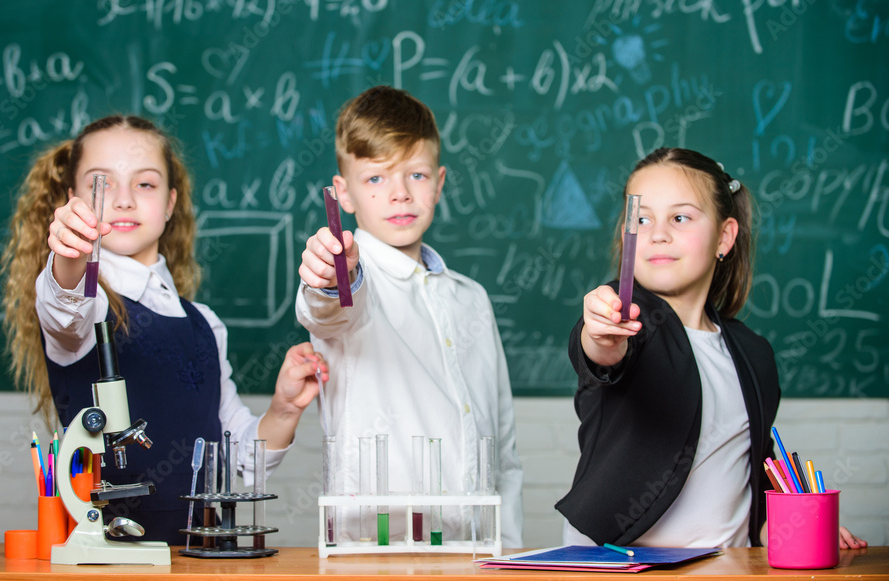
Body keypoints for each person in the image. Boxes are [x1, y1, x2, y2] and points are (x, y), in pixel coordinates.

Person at [0, 115, 327, 545]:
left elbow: (239, 459)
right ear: (72, 201)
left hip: (204, 557)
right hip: (108, 559)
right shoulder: (86, 303)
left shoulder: (204, 323)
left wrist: (284, 409)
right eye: (101, 184)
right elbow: (63, 303)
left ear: (171, 203)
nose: (123, 200)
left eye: (145, 184)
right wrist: (70, 252)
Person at [555, 147, 868, 550]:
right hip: (617, 564)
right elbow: (601, 355)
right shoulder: (624, 320)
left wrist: (790, 527)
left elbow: (749, 478)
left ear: (724, 237)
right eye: (642, 219)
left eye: (680, 218)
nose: (658, 233)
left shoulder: (753, 353)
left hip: (729, 567)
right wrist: (599, 335)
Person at [296, 86, 523, 547]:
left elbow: (502, 443)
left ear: (439, 182)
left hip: (477, 551)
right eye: (376, 178)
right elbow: (329, 308)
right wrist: (331, 278)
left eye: (416, 175)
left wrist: (510, 548)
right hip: (376, 553)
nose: (399, 194)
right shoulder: (355, 280)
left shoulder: (471, 298)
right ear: (344, 194)